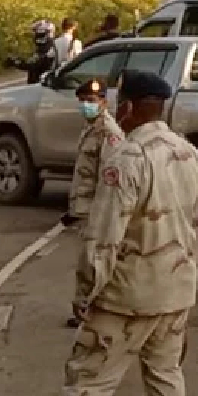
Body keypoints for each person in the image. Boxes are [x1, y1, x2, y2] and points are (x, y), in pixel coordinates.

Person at [23, 71, 198, 396]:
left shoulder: (127, 157)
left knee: (88, 381)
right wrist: (182, 271)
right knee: (166, 377)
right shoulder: (190, 154)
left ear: (129, 106)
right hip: (176, 289)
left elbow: (103, 238)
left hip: (126, 295)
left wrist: (86, 292)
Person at [61, 78, 124, 327]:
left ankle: (90, 311)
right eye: (83, 101)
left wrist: (101, 213)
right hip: (84, 208)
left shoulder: (108, 133)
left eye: (92, 101)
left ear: (104, 103)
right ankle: (85, 309)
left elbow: (107, 178)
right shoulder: (90, 128)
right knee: (86, 262)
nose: (86, 105)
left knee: (93, 263)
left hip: (96, 211)